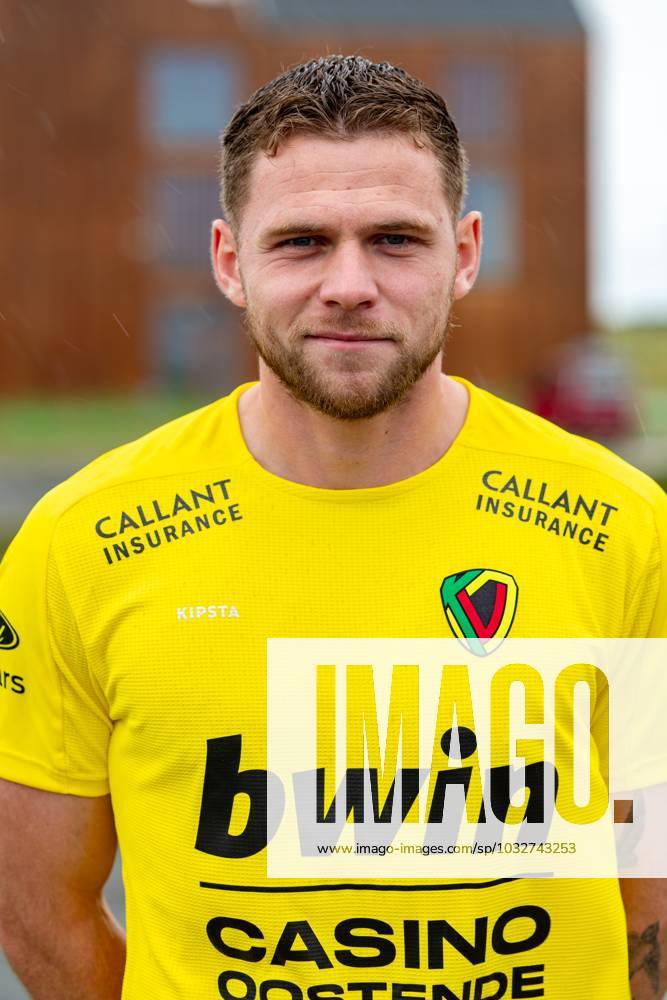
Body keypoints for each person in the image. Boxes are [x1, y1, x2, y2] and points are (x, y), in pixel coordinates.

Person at [0, 54, 665, 1000]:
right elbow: (39, 906)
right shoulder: (85, 541)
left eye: (394, 240)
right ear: (229, 261)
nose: (349, 284)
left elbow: (652, 891)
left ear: (463, 254)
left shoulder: (623, 528)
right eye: (301, 242)